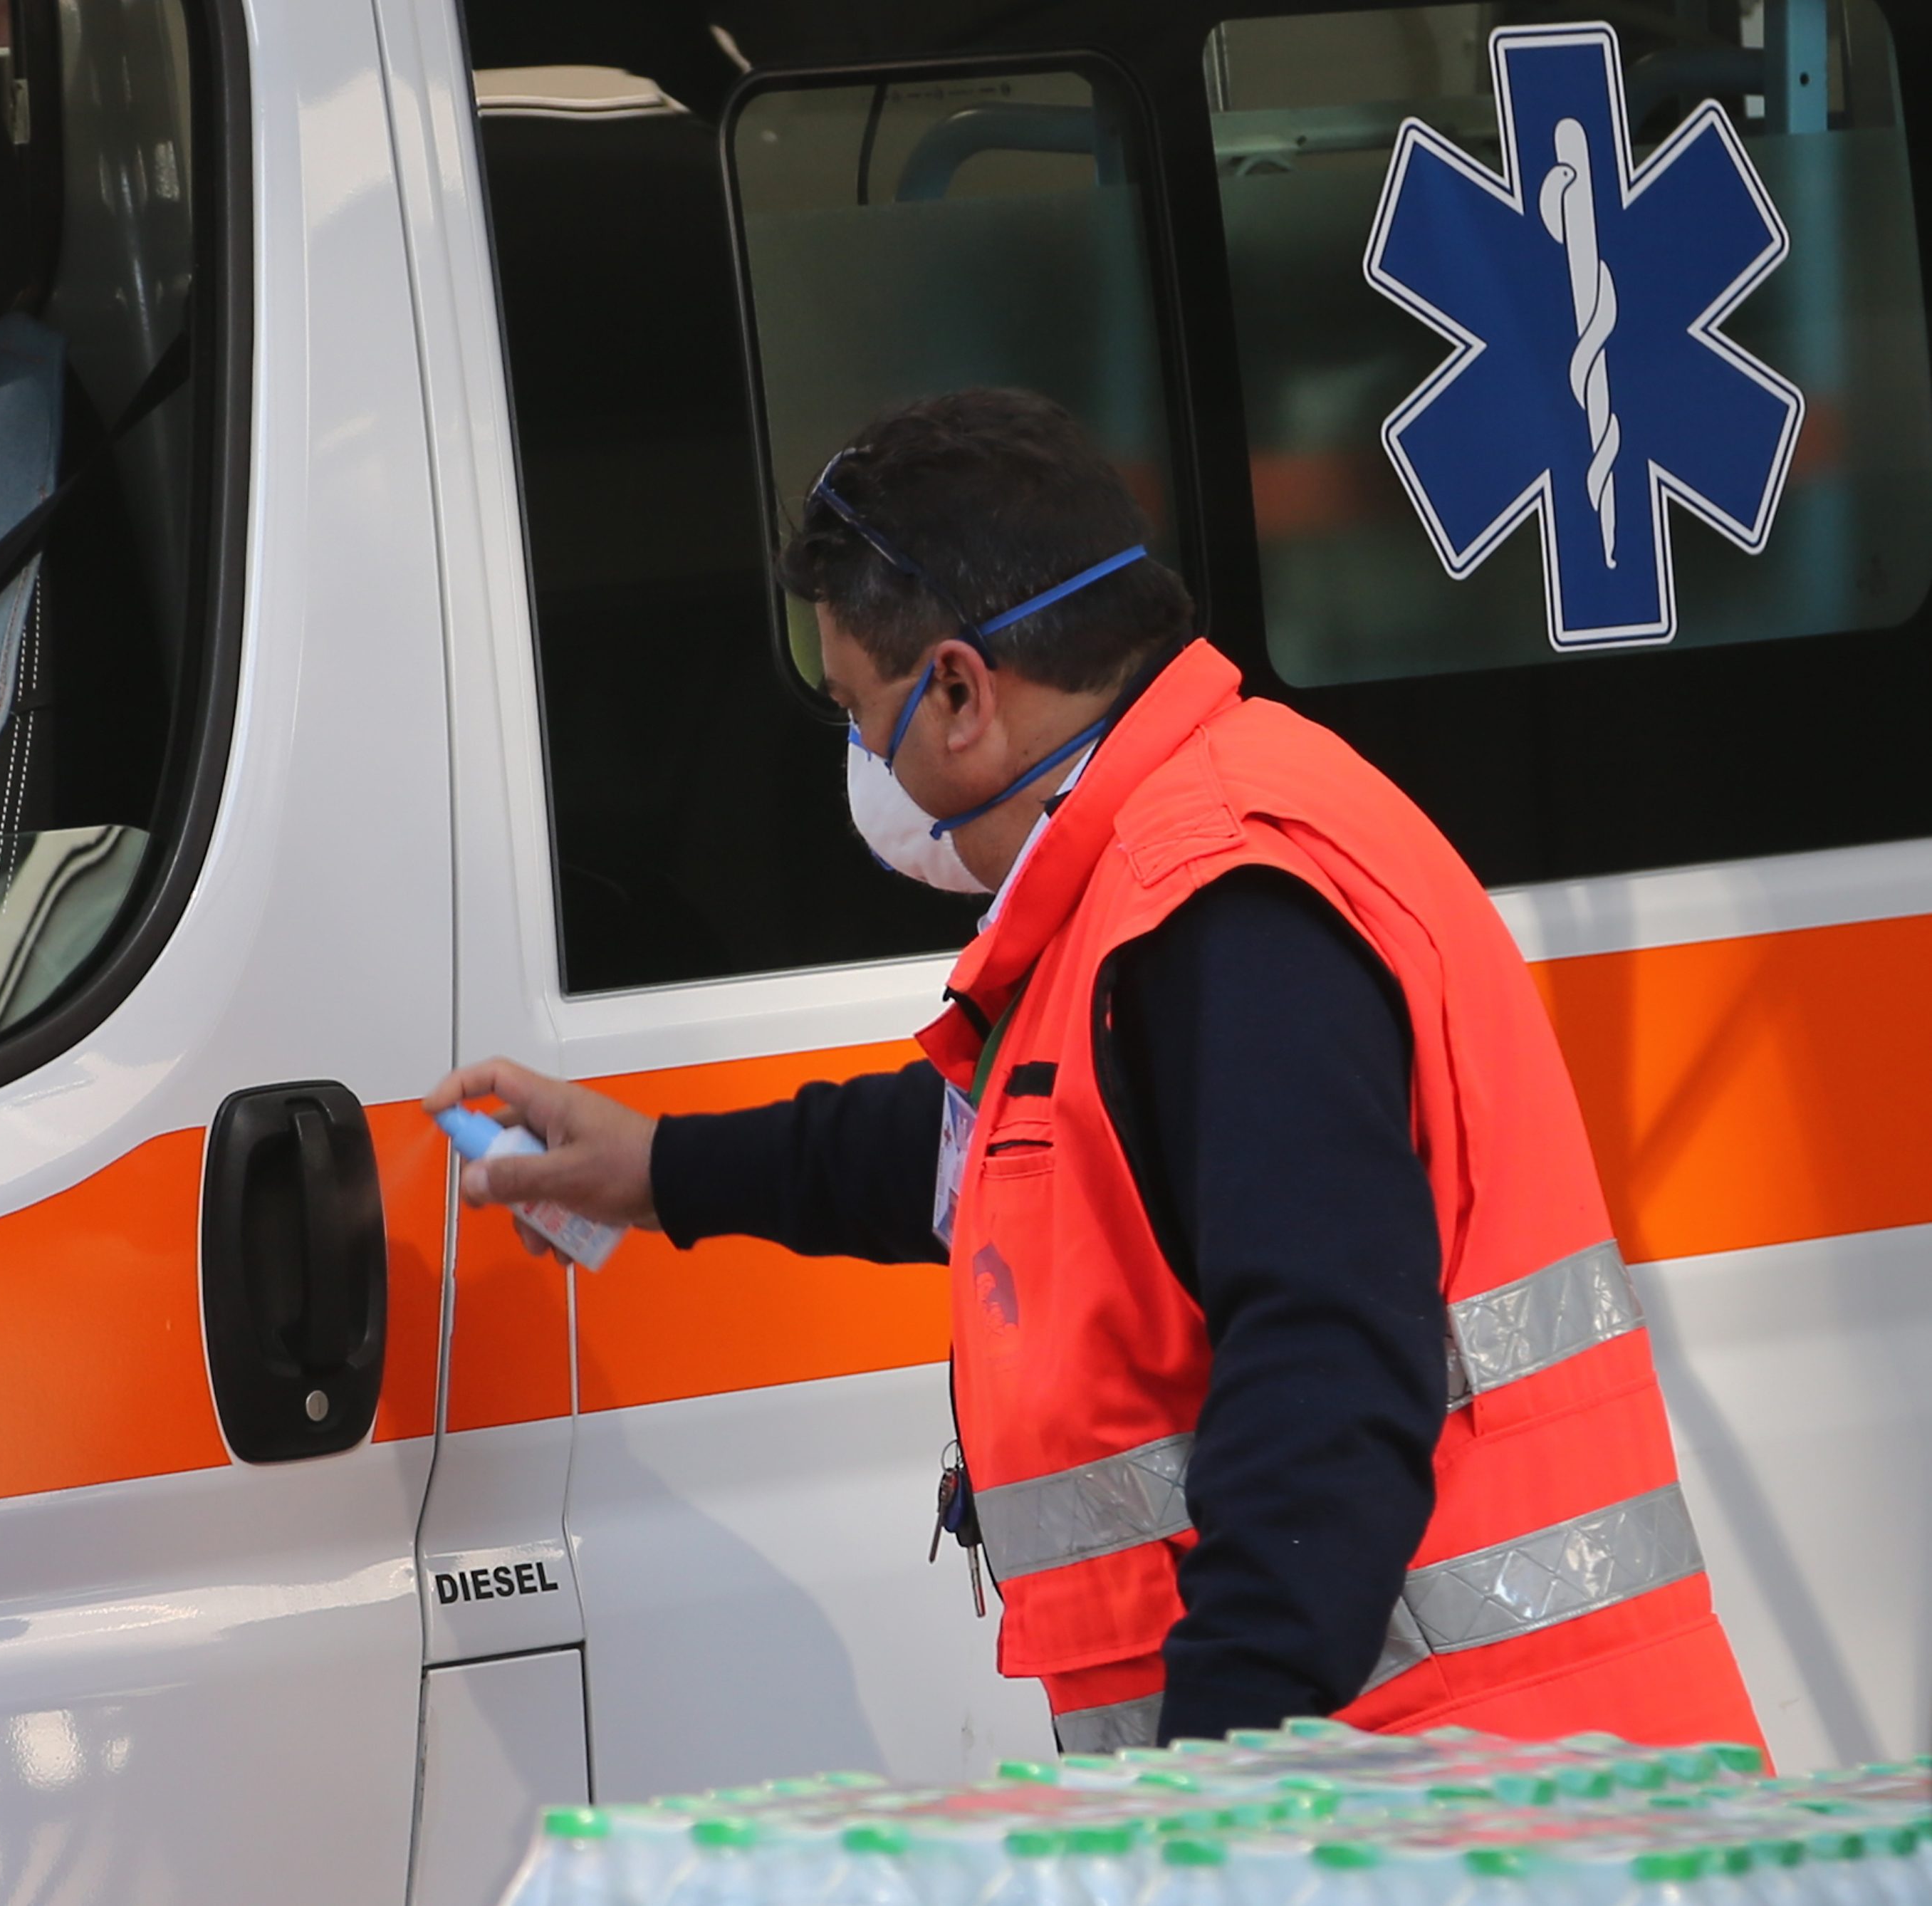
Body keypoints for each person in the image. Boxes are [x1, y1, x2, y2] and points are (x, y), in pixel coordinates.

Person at [425, 389, 1764, 1752]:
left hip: (1463, 1802)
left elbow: (1323, 1386)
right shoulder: (1156, 871)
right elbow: (1011, 1155)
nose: (855, 758)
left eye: (853, 709)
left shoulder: (1221, 905)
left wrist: (1211, 1804)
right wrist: (657, 1169)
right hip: (1428, 1781)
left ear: (957, 690)